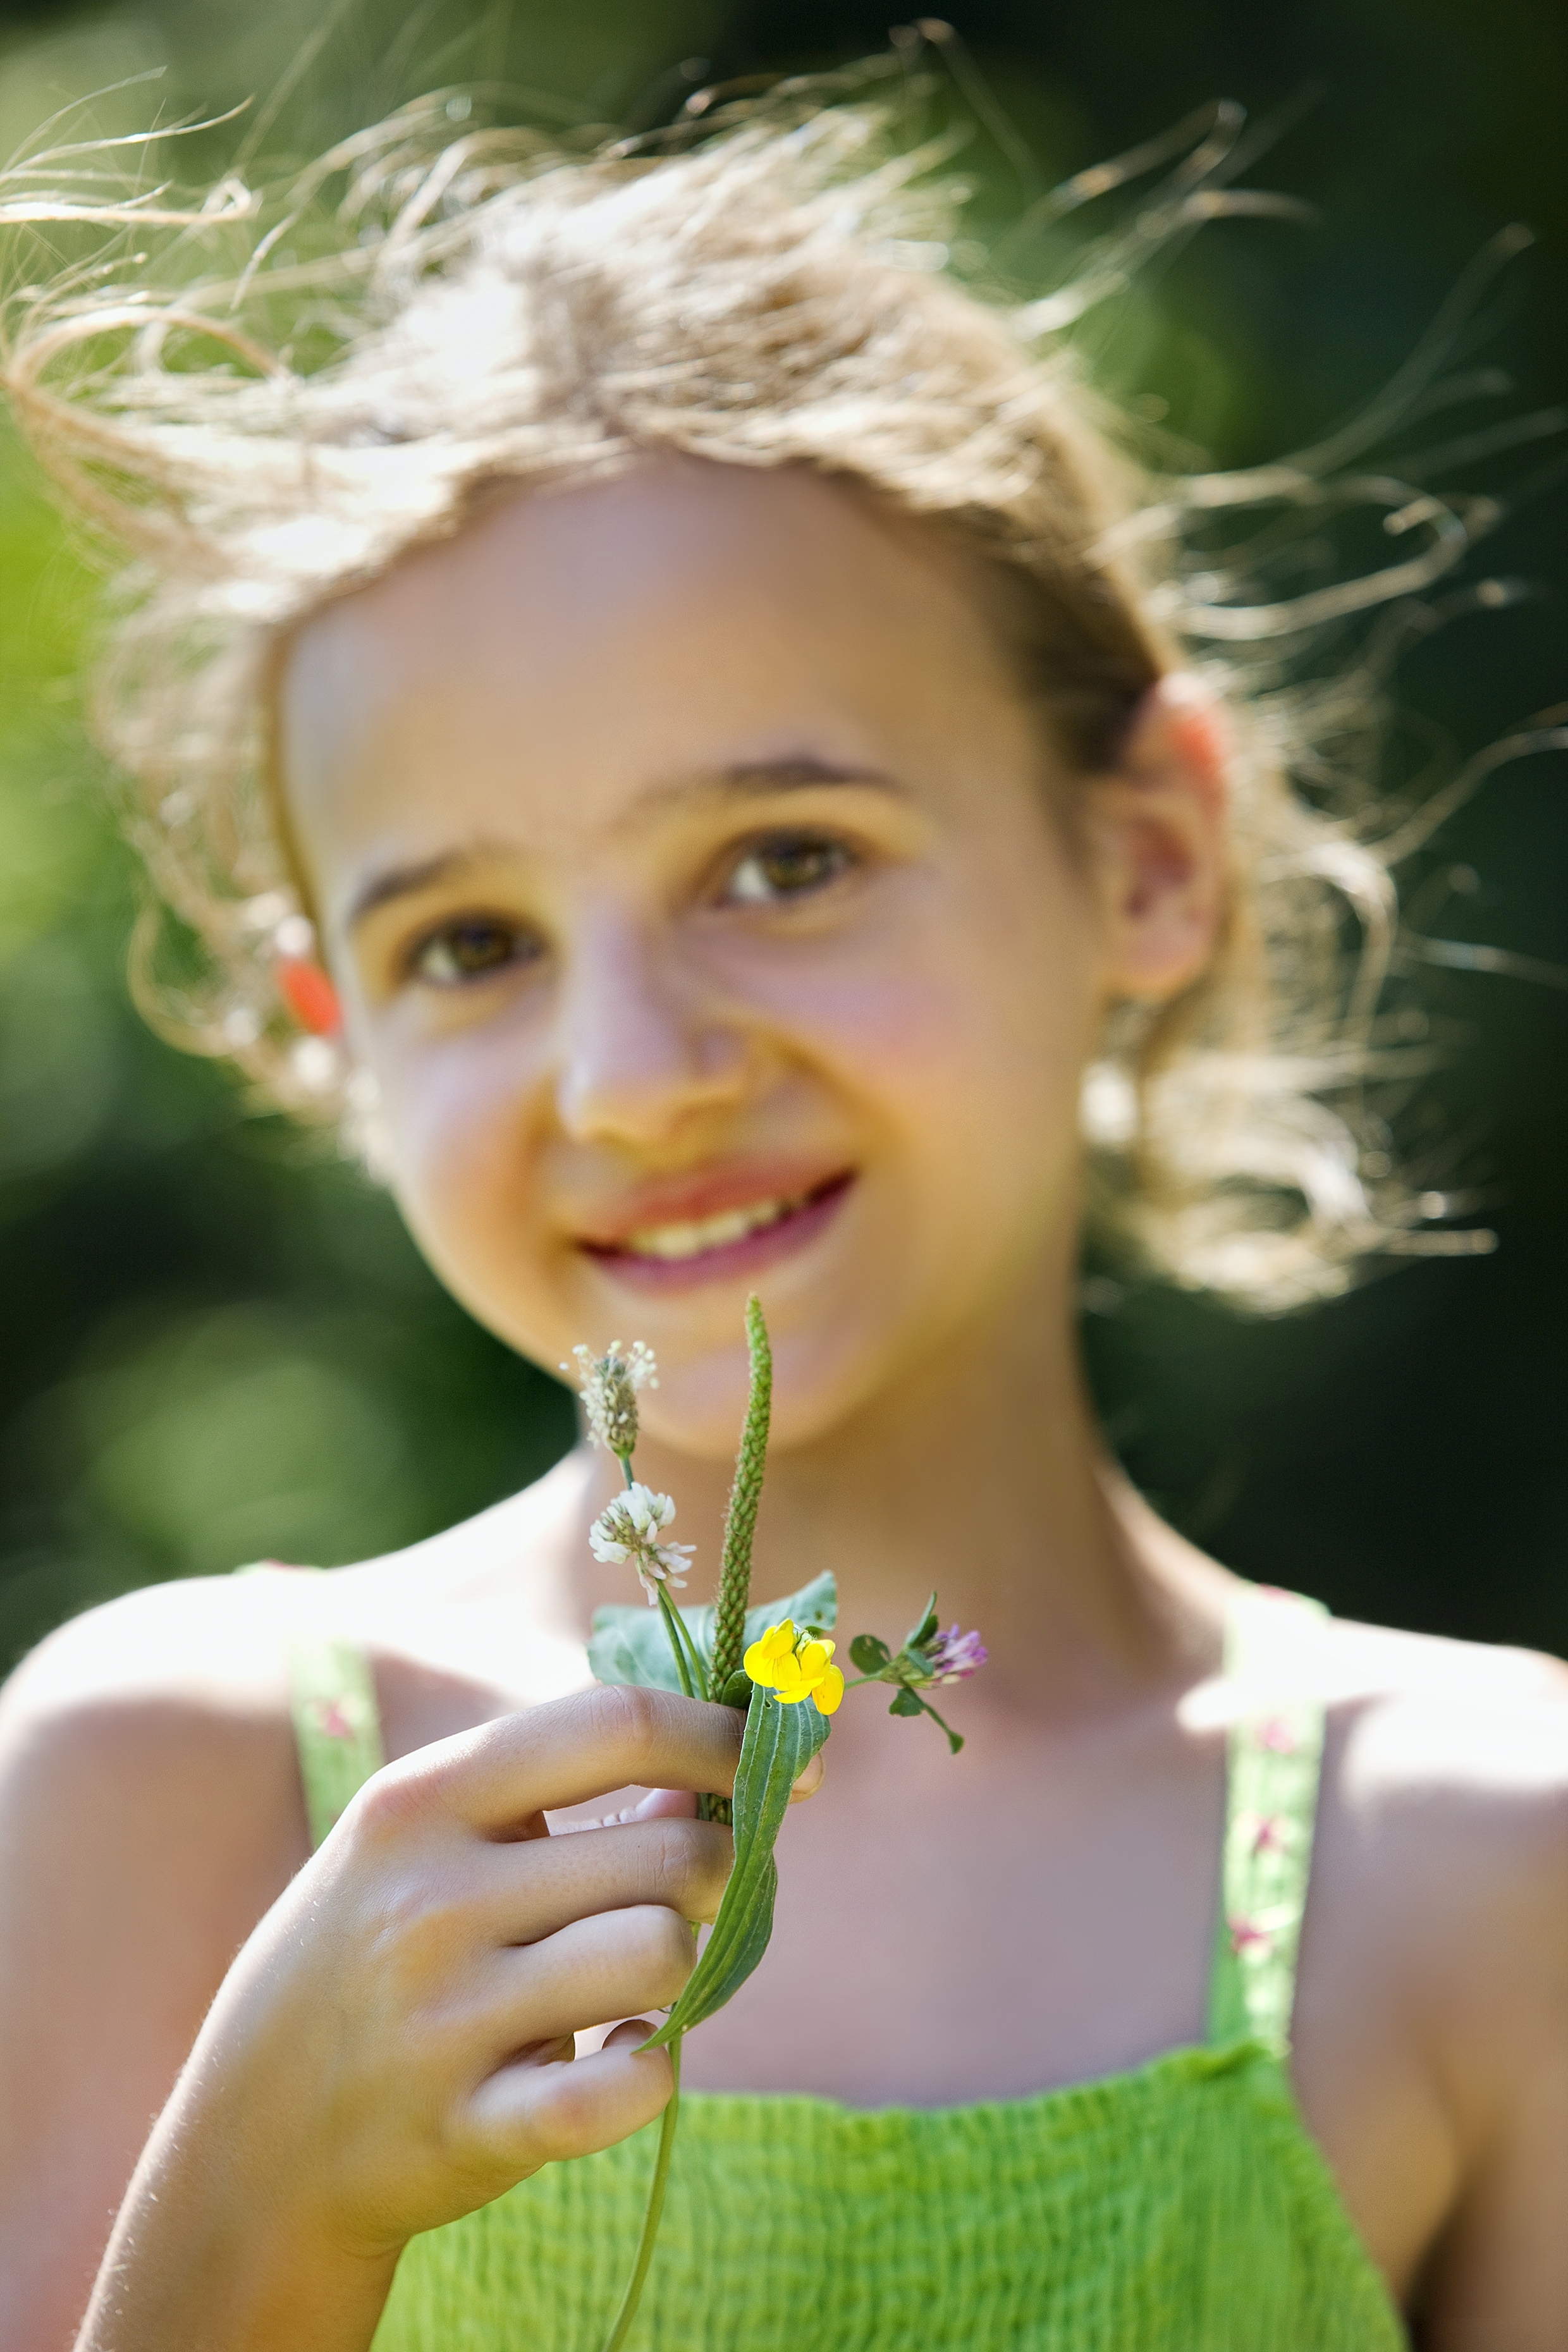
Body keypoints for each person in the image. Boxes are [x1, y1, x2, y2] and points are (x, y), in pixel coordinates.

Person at [0, 70, 1564, 2352]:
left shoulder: (1484, 1867)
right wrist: (259, 2203)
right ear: (328, 1026)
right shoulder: (166, 1790)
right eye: (473, 945)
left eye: (787, 863)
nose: (634, 1077)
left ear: (1143, 858)